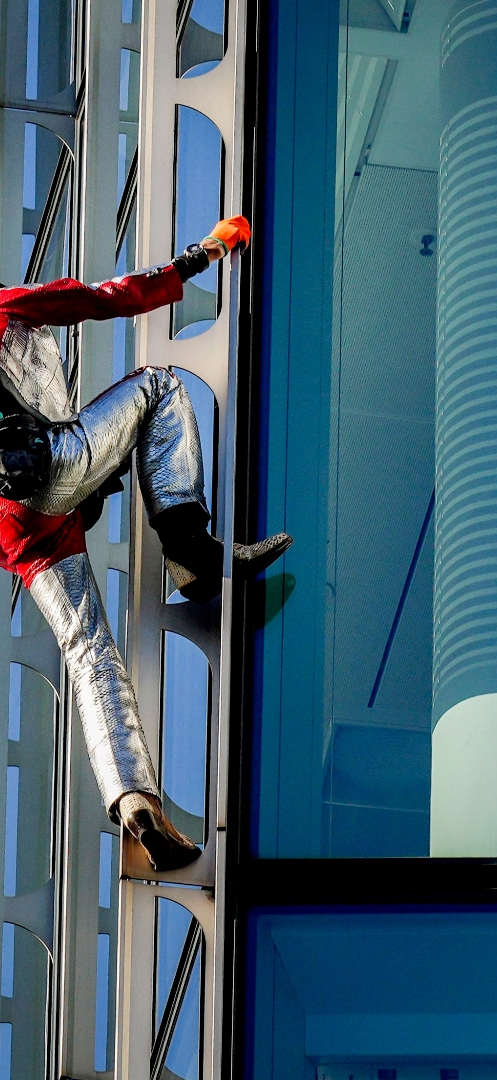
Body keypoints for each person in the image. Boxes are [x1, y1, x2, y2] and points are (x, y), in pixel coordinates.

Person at [0, 216, 291, 870]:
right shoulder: (8, 308)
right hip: (53, 464)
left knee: (89, 653)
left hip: (23, 526)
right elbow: (111, 297)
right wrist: (197, 259)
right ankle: (188, 547)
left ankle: (134, 804)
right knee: (159, 388)